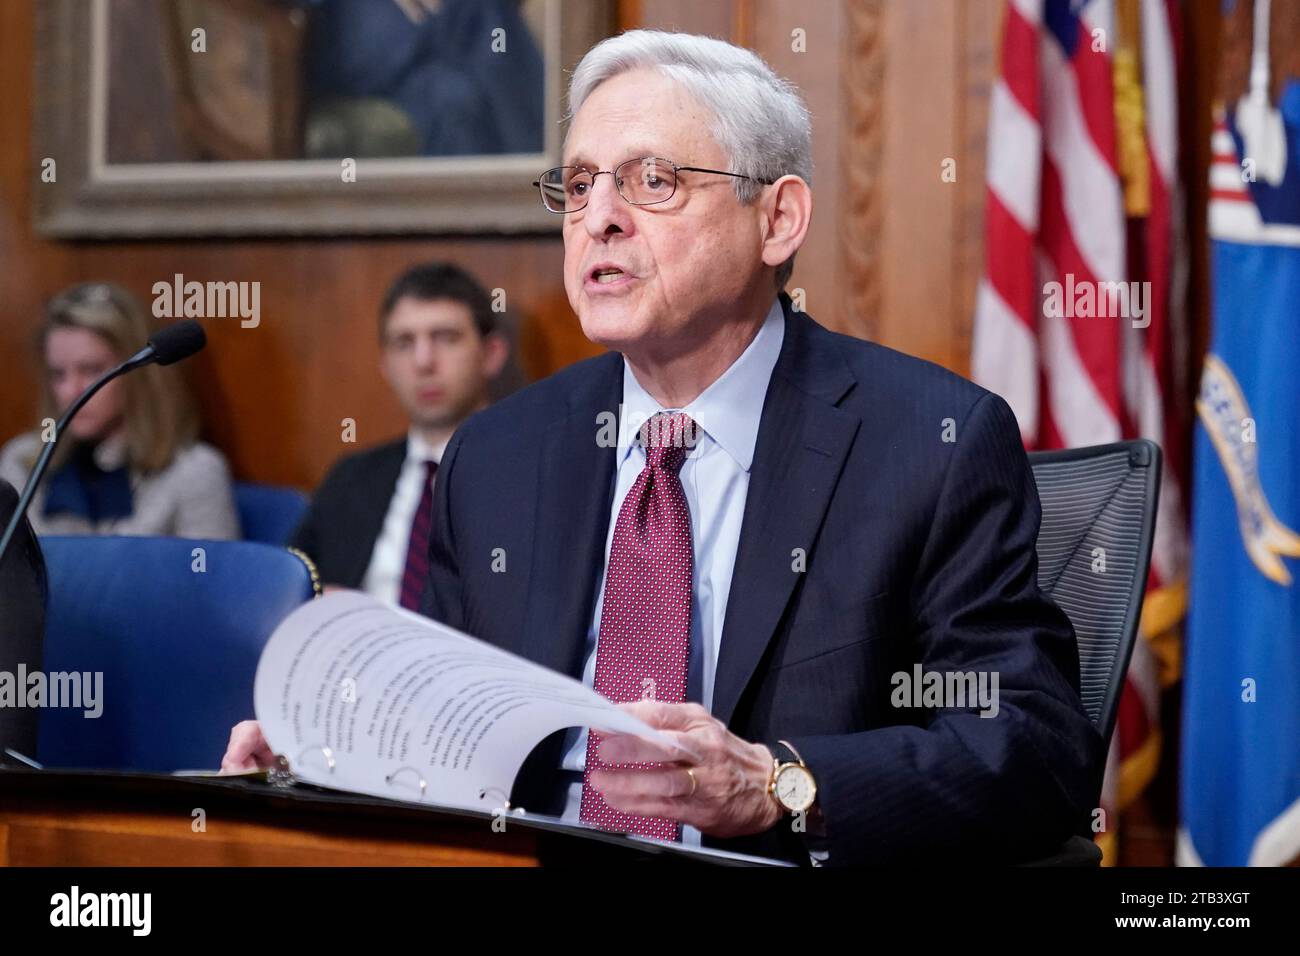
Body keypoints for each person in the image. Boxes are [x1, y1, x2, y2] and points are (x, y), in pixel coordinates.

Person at [225, 30, 1103, 866]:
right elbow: (453, 720)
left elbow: (1032, 745)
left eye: (651, 181)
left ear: (779, 218)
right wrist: (331, 755)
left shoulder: (928, 441)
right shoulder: (496, 455)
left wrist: (783, 785)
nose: (598, 219)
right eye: (576, 186)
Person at [288, 262, 509, 606]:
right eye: (404, 343)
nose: (423, 361)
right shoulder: (352, 477)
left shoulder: (528, 473)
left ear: (491, 354)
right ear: (386, 366)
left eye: (446, 338)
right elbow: (288, 579)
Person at [0, 282, 238, 539]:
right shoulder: (21, 461)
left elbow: (210, 576)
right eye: (58, 374)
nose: (70, 392)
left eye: (91, 370)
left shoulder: (195, 471)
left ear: (139, 374)